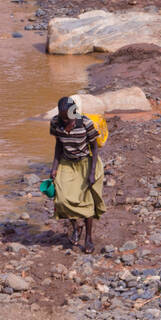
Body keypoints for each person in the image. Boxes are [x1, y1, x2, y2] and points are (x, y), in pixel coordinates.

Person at [47, 96, 105, 253]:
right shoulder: (55, 123)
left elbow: (95, 148)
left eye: (69, 118)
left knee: (86, 203)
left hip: (85, 163)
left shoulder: (85, 124)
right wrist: (54, 167)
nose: (67, 122)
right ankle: (75, 227)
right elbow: (58, 145)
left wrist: (92, 173)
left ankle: (88, 238)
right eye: (63, 118)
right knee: (63, 200)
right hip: (67, 163)